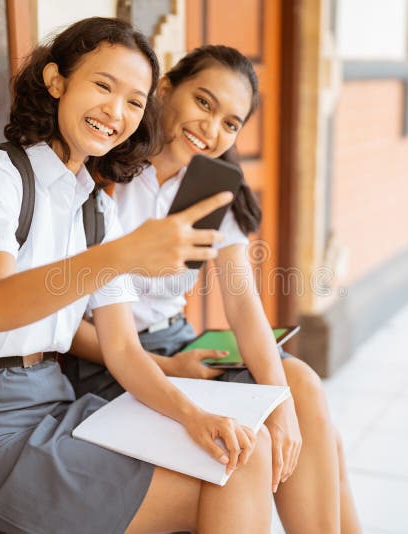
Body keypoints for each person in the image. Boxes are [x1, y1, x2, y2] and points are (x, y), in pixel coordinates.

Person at [0, 19, 274, 534]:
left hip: (56, 402)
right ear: (56, 81)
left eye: (134, 101)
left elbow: (125, 352)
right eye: (103, 86)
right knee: (228, 479)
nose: (116, 112)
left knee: (243, 446)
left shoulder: (93, 207)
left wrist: (194, 416)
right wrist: (126, 254)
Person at [66, 45, 362, 534]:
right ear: (165, 90)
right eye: (204, 103)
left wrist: (280, 407)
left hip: (183, 345)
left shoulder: (213, 188)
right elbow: (63, 323)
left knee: (303, 391)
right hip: (109, 363)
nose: (211, 129)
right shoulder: (103, 174)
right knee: (323, 440)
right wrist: (166, 366)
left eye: (230, 122)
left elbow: (244, 308)